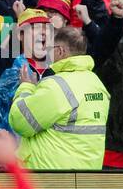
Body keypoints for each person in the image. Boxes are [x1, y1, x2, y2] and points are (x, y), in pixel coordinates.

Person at [8, 25, 109, 170]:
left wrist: (26, 87)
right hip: (86, 177)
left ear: (60, 51)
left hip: (53, 179)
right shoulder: (96, 84)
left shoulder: (57, 86)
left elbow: (20, 122)